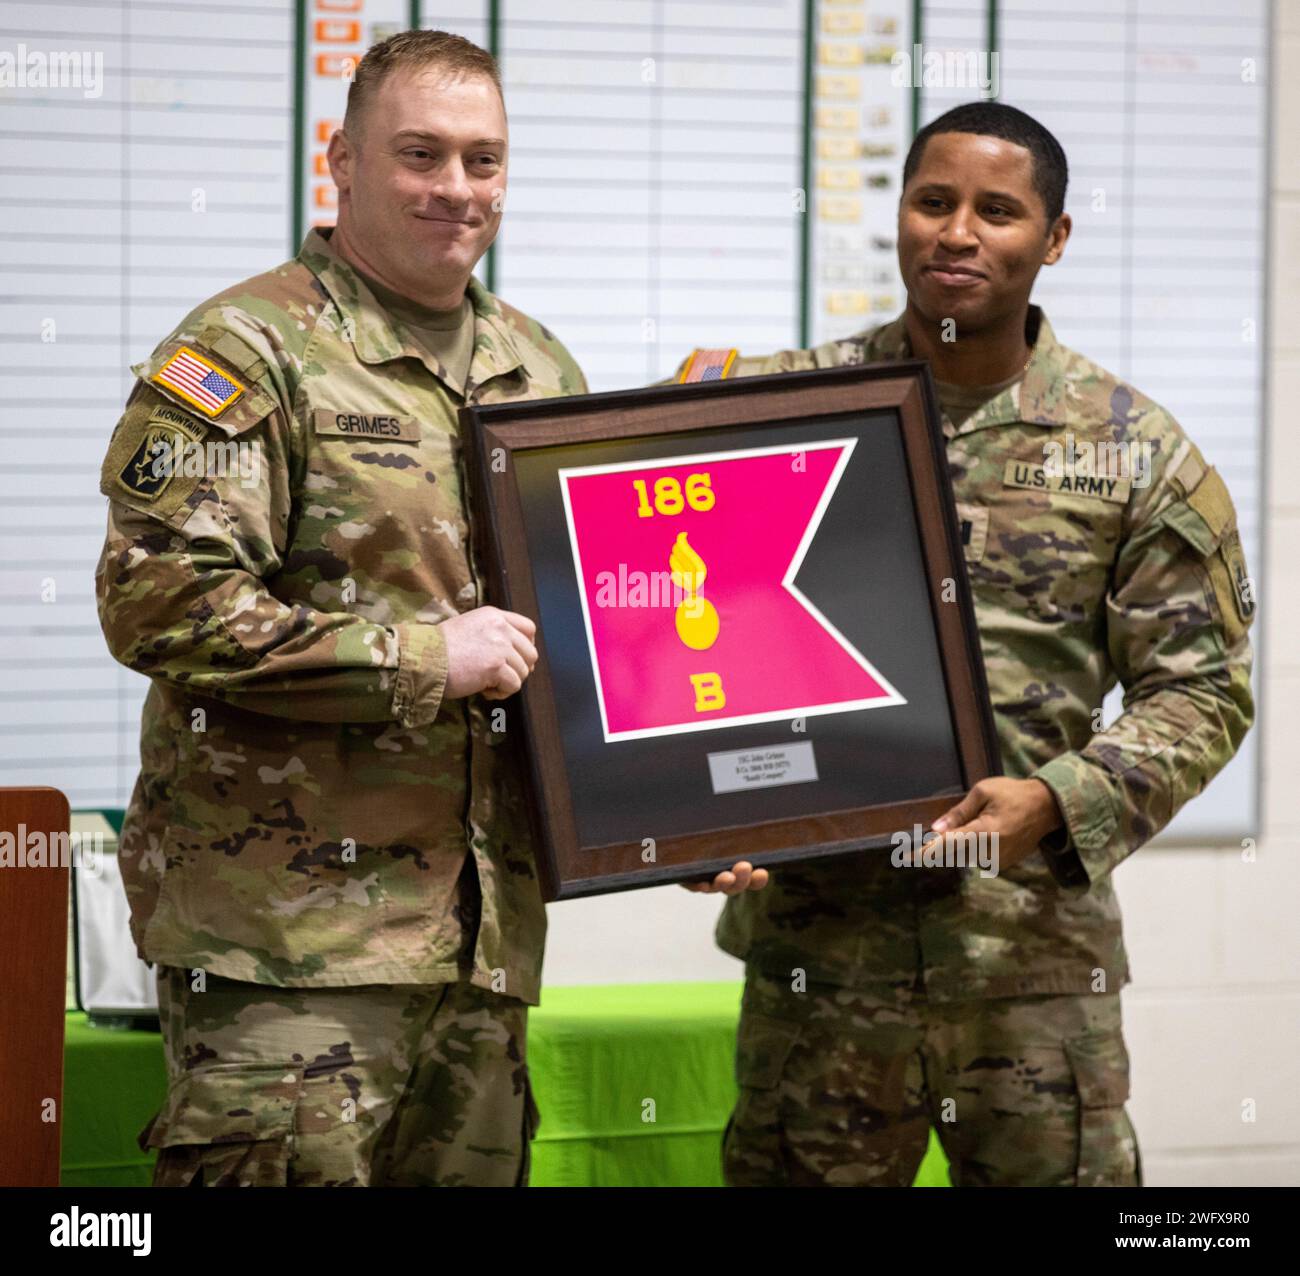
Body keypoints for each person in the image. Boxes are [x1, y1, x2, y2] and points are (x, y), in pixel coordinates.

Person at [94, 28, 761, 1188]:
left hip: (481, 954)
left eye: (483, 160)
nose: (457, 190)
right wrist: (419, 658)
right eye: (421, 155)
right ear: (341, 159)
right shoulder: (247, 352)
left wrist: (669, 818)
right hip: (288, 956)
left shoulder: (538, 369)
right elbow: (160, 602)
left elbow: (584, 639)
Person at [674, 101, 1256, 1186]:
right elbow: (673, 629)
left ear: (1054, 238)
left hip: (1029, 970)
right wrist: (690, 808)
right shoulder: (779, 410)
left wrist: (1059, 800)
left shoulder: (1133, 452)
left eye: (997, 210)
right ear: (898, 213)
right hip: (822, 959)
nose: (957, 232)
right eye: (932, 201)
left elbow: (1206, 693)